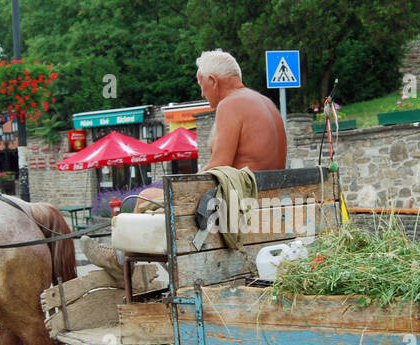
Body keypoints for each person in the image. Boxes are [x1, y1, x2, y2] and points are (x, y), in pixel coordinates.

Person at [81, 49, 287, 275]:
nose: (202, 93)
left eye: (201, 84)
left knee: (145, 196)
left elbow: (220, 165)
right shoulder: (265, 102)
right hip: (267, 195)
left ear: (212, 81)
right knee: (155, 196)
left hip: (236, 201)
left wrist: (179, 185)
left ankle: (119, 262)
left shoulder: (230, 104)